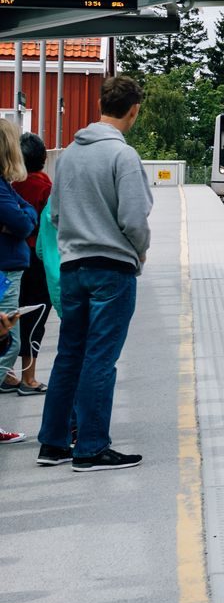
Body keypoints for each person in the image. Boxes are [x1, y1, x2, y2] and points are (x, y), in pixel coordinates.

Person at [38, 76, 151, 472]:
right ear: (133, 110)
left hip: (73, 269)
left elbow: (54, 215)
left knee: (69, 354)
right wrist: (137, 254)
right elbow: (134, 219)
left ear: (101, 105)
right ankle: (90, 448)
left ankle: (52, 442)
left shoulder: (68, 155)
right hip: (111, 270)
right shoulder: (124, 157)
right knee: (100, 357)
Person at [4, 133, 54, 397]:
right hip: (37, 259)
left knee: (10, 315)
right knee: (36, 316)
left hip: (15, 259)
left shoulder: (11, 185)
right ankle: (29, 378)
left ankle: (7, 374)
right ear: (44, 159)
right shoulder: (45, 186)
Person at [0, 121, 36, 447]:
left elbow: (24, 216)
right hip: (4, 274)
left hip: (8, 271)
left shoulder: (4, 186)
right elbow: (24, 222)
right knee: (6, 342)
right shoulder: (0, 188)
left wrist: (23, 215)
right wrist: (24, 216)